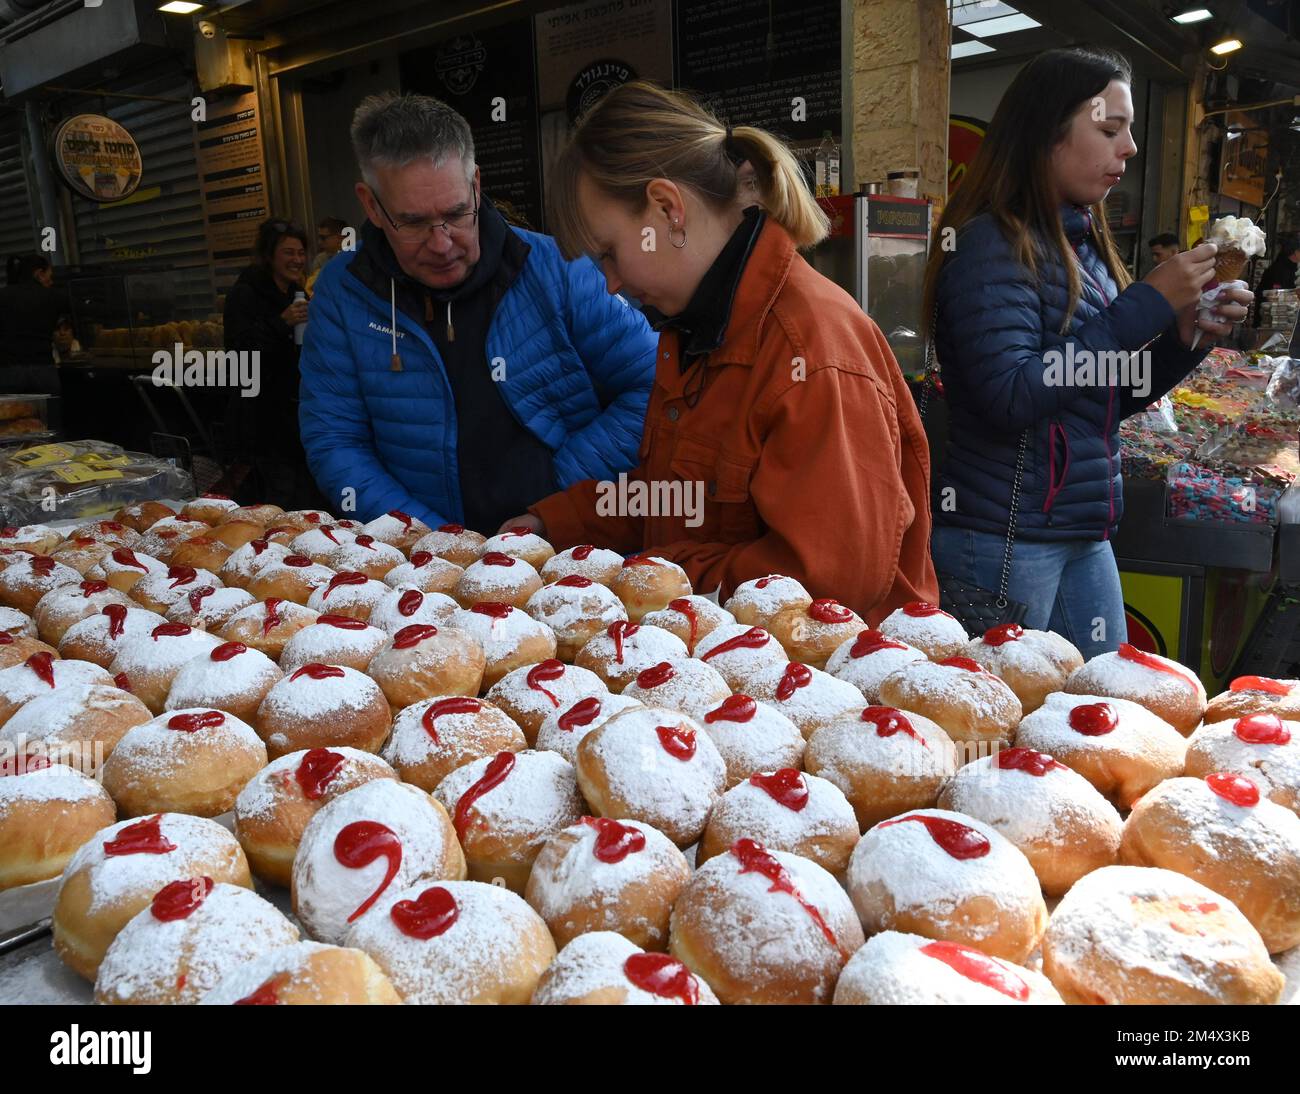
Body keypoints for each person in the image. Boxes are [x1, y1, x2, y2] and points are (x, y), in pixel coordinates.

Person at [504, 80, 938, 622]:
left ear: (667, 208)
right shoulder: (696, 331)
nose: (610, 284)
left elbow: (822, 589)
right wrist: (558, 522)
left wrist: (657, 576)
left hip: (824, 684)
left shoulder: (812, 347)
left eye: (610, 253)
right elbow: (681, 498)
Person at [924, 47, 1251, 659]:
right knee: (1001, 729)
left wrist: (1186, 336)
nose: (1128, 148)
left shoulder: (1084, 248)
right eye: (1108, 129)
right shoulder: (989, 245)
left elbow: (1106, 392)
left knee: (1106, 711)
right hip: (1005, 537)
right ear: (1045, 133)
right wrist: (1147, 304)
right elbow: (1011, 395)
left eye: (1129, 131)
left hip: (1082, 530)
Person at [298, 92, 657, 530]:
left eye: (456, 213)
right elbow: (335, 441)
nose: (442, 243)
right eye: (412, 223)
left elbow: (652, 385)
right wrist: (431, 542)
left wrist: (557, 499)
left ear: (477, 185)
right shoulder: (343, 292)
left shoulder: (557, 266)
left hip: (570, 544)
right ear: (371, 205)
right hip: (426, 571)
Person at [222, 218, 325, 508]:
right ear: (269, 255)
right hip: (262, 417)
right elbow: (239, 351)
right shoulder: (246, 293)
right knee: (276, 496)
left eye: (301, 253)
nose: (297, 260)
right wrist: (281, 323)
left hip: (295, 413)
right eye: (288, 252)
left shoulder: (298, 292)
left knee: (303, 492)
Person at [0, 254, 64, 399]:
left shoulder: (3, 296)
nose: (51, 281)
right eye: (49, 276)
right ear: (39, 274)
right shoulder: (50, 296)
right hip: (43, 369)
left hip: (8, 371)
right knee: (49, 417)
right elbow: (83, 309)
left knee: (13, 418)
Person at [1253, 232, 1299, 326]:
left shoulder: (1293, 267)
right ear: (1296, 251)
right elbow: (1273, 296)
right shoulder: (1280, 269)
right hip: (1269, 321)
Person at [306, 216, 347, 294]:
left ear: (339, 237)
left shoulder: (356, 257)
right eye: (319, 238)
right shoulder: (320, 259)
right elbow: (312, 289)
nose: (319, 242)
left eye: (323, 238)